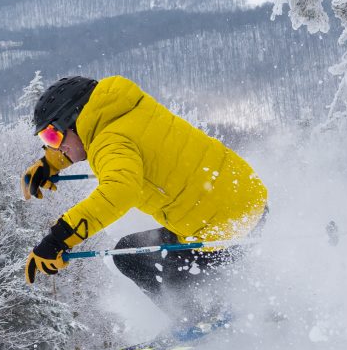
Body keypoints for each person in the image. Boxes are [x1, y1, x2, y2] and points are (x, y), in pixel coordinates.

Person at [20, 75, 267, 328]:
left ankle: (201, 323)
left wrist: (58, 238)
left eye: (52, 137)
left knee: (134, 259)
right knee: (147, 253)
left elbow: (119, 192)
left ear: (73, 120)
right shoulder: (126, 111)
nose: (55, 147)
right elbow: (101, 147)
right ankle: (235, 310)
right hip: (245, 201)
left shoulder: (110, 140)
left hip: (222, 227)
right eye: (46, 141)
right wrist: (50, 163)